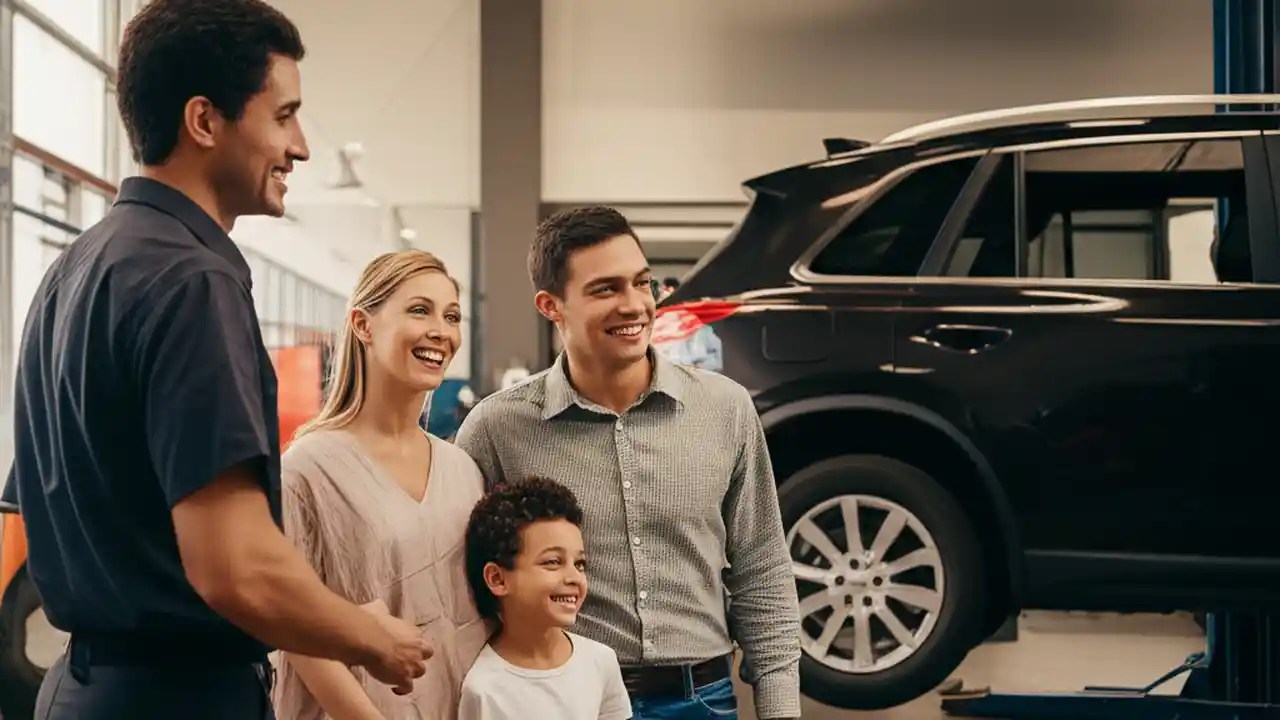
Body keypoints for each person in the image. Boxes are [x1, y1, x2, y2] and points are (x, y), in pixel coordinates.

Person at [3, 2, 429, 718]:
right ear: (204, 121)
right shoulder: (193, 281)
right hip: (175, 697)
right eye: (283, 116)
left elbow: (23, 506)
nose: (300, 147)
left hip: (78, 688)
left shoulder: (75, 268)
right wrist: (370, 637)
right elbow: (236, 569)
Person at [454, 206, 802, 720]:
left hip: (701, 700)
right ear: (551, 306)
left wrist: (781, 710)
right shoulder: (497, 428)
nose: (635, 304)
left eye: (643, 283)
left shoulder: (724, 408)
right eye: (605, 289)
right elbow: (468, 583)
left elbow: (762, 570)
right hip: (560, 703)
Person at [273, 250, 489, 720]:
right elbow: (297, 633)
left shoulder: (460, 467)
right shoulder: (308, 468)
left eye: (452, 316)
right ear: (363, 325)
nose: (441, 330)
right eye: (419, 310)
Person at [458, 477, 631, 720]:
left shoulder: (601, 661)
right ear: (497, 579)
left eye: (579, 564)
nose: (574, 577)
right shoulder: (484, 689)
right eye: (553, 562)